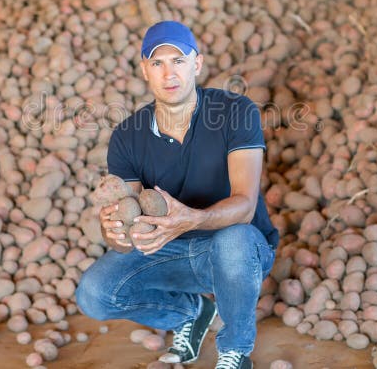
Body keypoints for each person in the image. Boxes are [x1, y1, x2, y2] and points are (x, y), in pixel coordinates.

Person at [75, 20, 279, 369]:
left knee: (236, 240)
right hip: (169, 250)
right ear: (145, 70)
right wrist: (115, 230)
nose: (169, 73)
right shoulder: (128, 135)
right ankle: (192, 312)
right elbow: (131, 233)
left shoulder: (235, 112)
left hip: (234, 252)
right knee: (94, 294)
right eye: (158, 63)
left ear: (196, 64)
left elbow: (245, 206)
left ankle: (234, 350)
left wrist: (191, 219)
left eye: (179, 60)